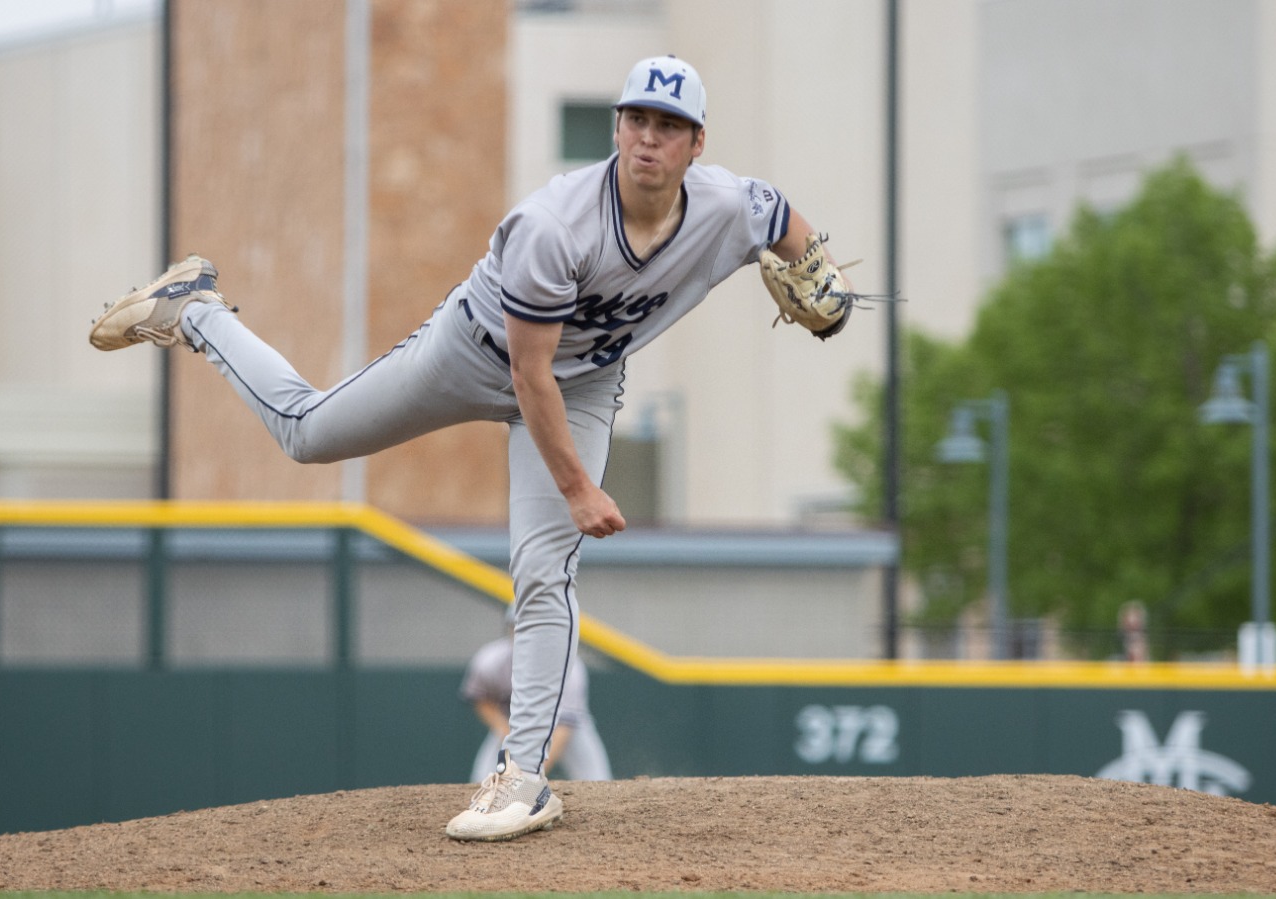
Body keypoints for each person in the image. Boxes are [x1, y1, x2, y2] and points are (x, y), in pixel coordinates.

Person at [90, 54, 852, 842]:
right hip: (477, 353)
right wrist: (579, 490)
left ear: (697, 144)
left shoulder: (727, 202)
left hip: (585, 381)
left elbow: (781, 216)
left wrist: (816, 276)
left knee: (543, 568)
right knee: (309, 434)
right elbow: (529, 376)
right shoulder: (555, 226)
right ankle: (197, 312)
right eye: (636, 121)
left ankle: (522, 780)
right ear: (617, 127)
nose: (648, 139)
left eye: (669, 126)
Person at [461, 606, 613, 784]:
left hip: (564, 726)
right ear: (510, 629)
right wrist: (503, 728)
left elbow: (563, 730)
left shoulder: (568, 666)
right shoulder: (490, 660)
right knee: (482, 779)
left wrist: (530, 776)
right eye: (520, 626)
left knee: (598, 780)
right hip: (515, 723)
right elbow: (482, 699)